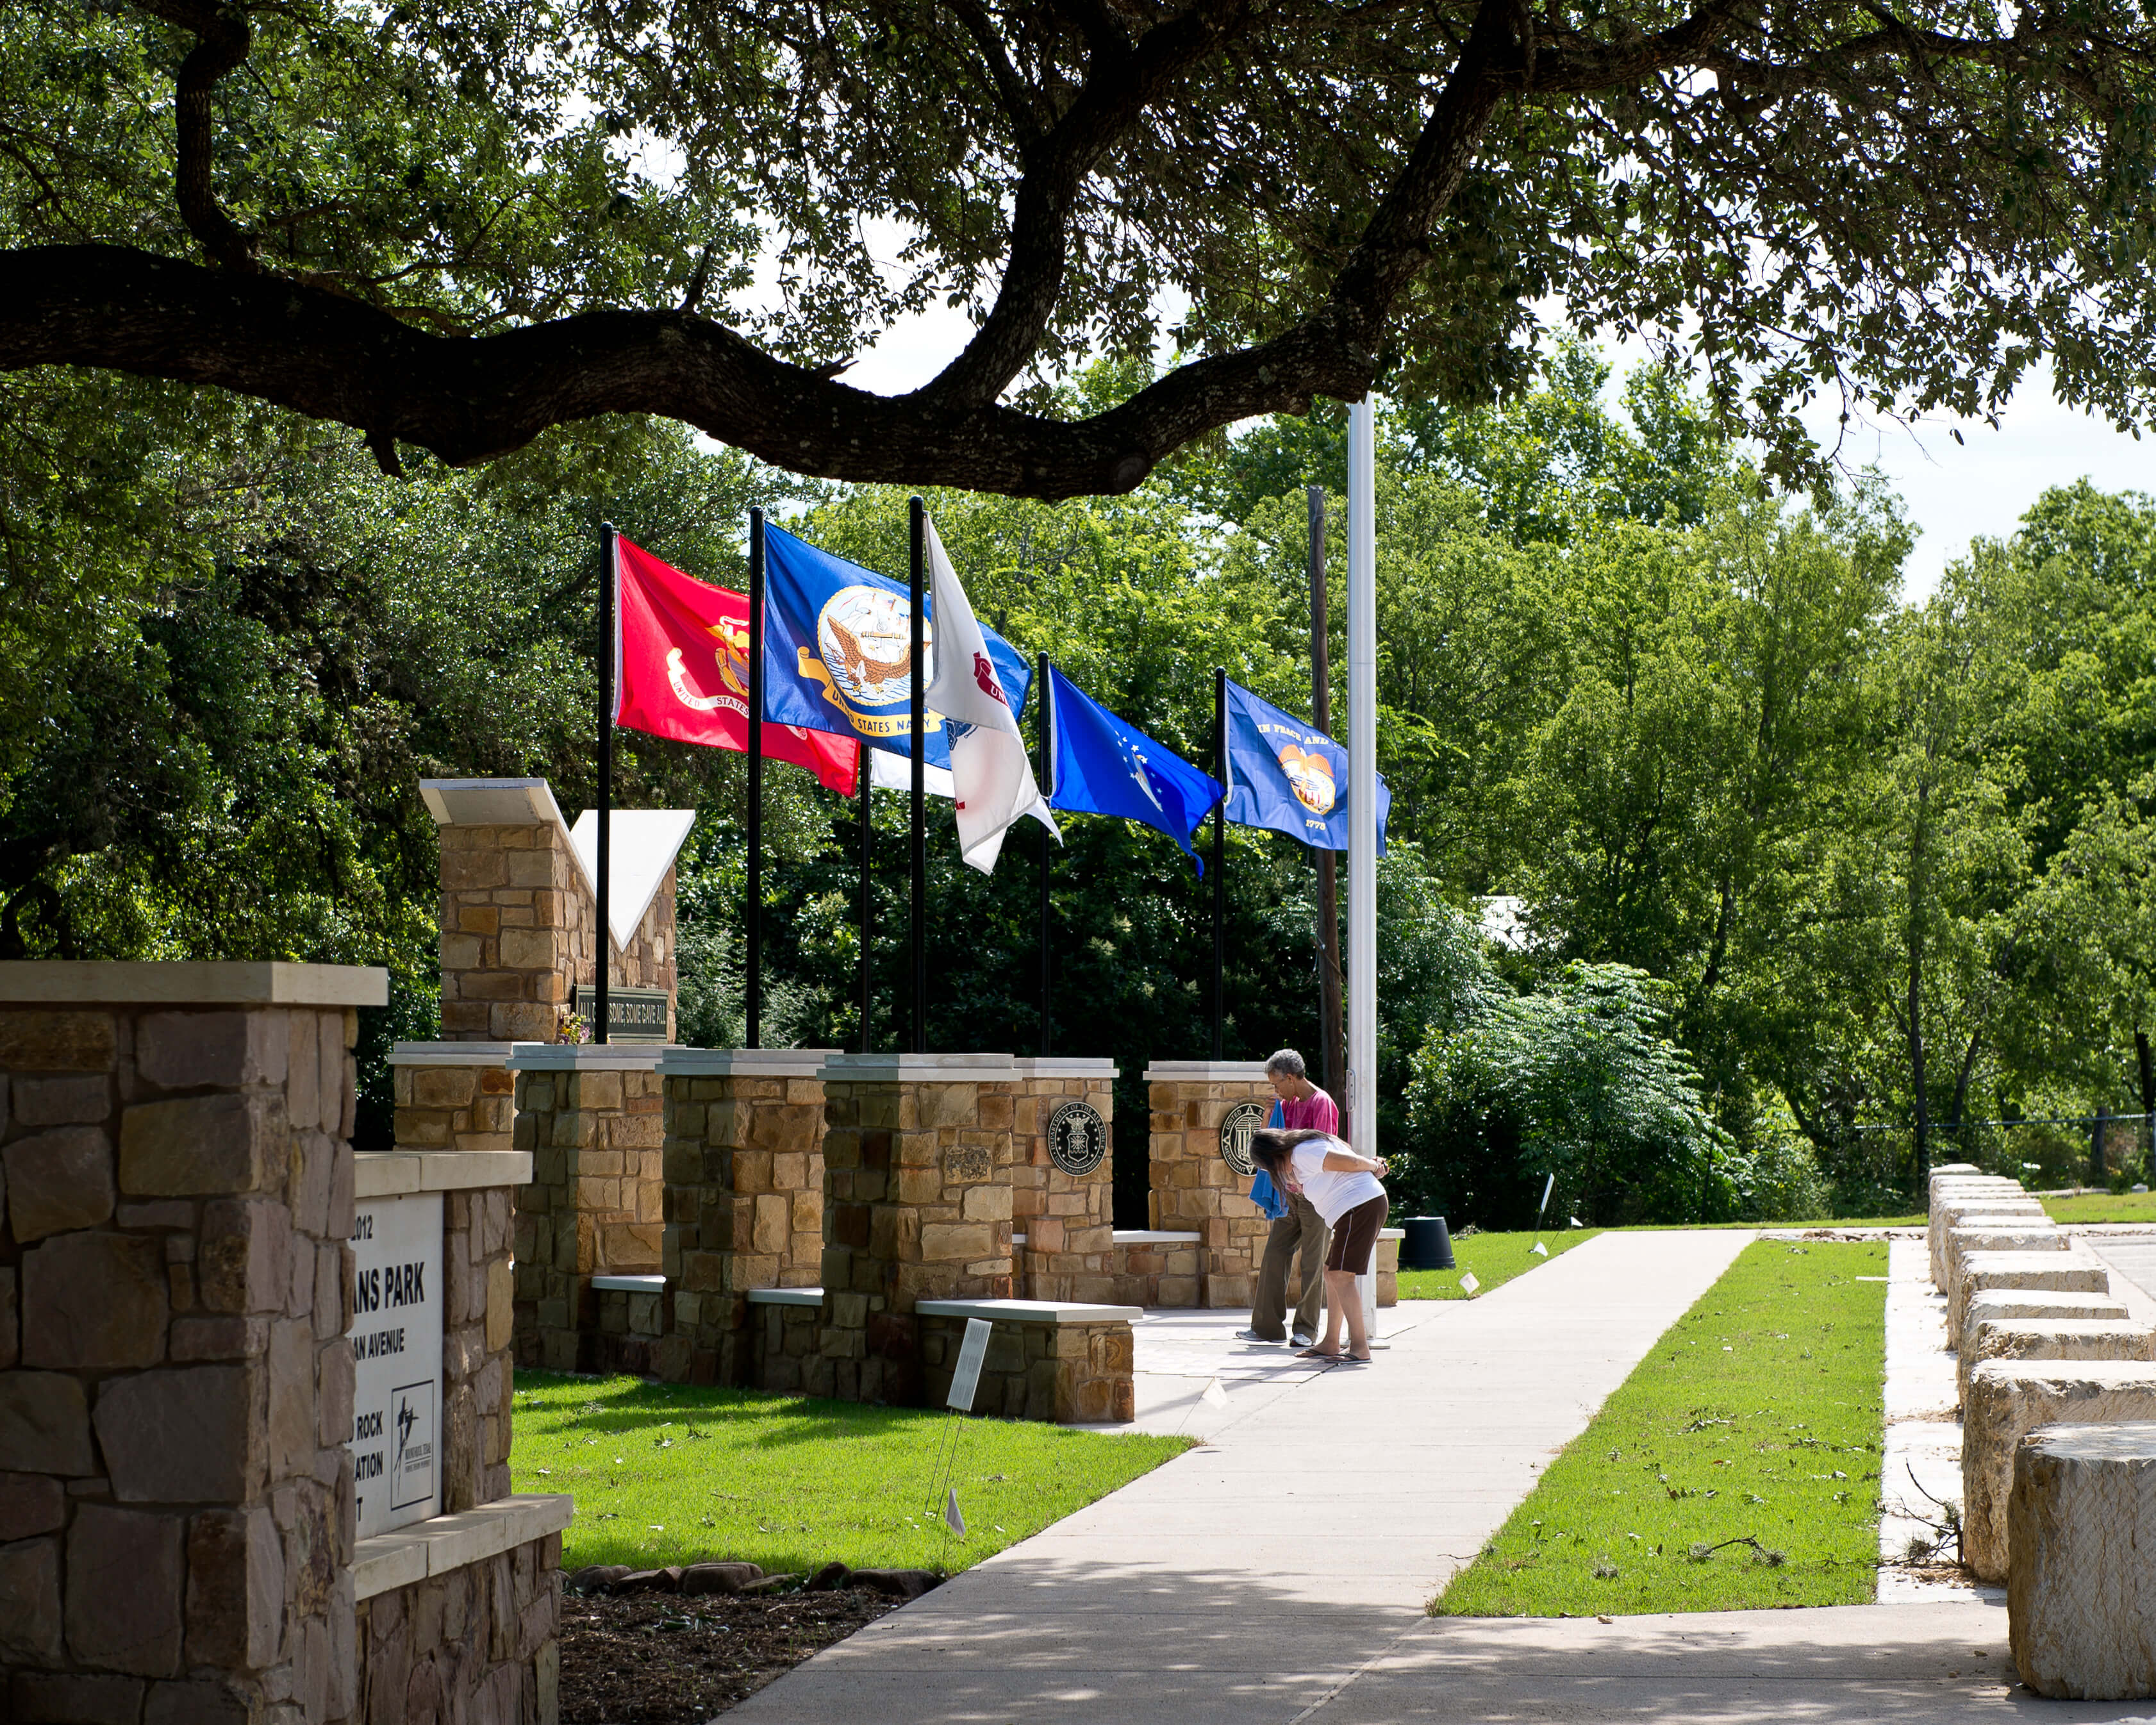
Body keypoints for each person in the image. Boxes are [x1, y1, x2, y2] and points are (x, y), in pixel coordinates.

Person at [1246, 1125, 1388, 1364]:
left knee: (1342, 1276)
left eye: (1268, 1167)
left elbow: (1351, 1163)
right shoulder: (1300, 1159)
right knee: (1330, 1273)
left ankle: (1360, 1347)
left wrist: (1375, 1166)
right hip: (1352, 1210)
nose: (1273, 1173)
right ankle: (1331, 1342)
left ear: (1275, 1154)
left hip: (1360, 1207)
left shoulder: (1304, 1152)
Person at [1236, 1050, 1336, 1348]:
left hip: (1316, 1196)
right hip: (1289, 1195)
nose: (1275, 1090)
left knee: (1312, 1262)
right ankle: (1267, 1327)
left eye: (1277, 1084)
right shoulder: (1287, 1104)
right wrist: (1269, 1116)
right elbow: (1272, 1143)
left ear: (1291, 1078)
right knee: (1275, 1255)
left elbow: (1321, 1153)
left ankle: (1306, 1330)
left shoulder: (1323, 1105)